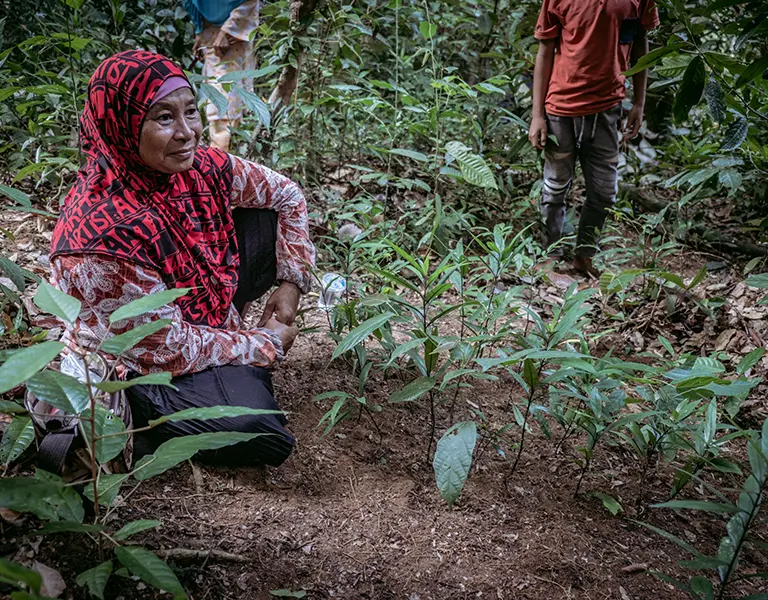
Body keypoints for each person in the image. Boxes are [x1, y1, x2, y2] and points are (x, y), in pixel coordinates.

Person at [49, 50, 315, 467]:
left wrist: (291, 283)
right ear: (122, 125)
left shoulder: (203, 168)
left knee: (264, 212)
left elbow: (287, 195)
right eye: (163, 118)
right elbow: (168, 347)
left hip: (193, 320)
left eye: (191, 111)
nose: (187, 132)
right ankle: (140, 416)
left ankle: (224, 366)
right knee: (261, 432)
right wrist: (262, 345)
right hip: (139, 358)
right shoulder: (100, 234)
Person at [528, 0, 660, 277]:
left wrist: (638, 102)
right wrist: (537, 115)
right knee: (554, 187)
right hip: (560, 108)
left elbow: (640, 44)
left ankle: (585, 255)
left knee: (603, 192)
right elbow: (545, 50)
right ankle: (550, 256)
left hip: (608, 108)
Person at [185, 0, 261, 152]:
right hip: (210, 29)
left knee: (225, 106)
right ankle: (222, 162)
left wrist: (229, 29)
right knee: (217, 101)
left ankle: (222, 163)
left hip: (234, 30)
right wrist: (200, 31)